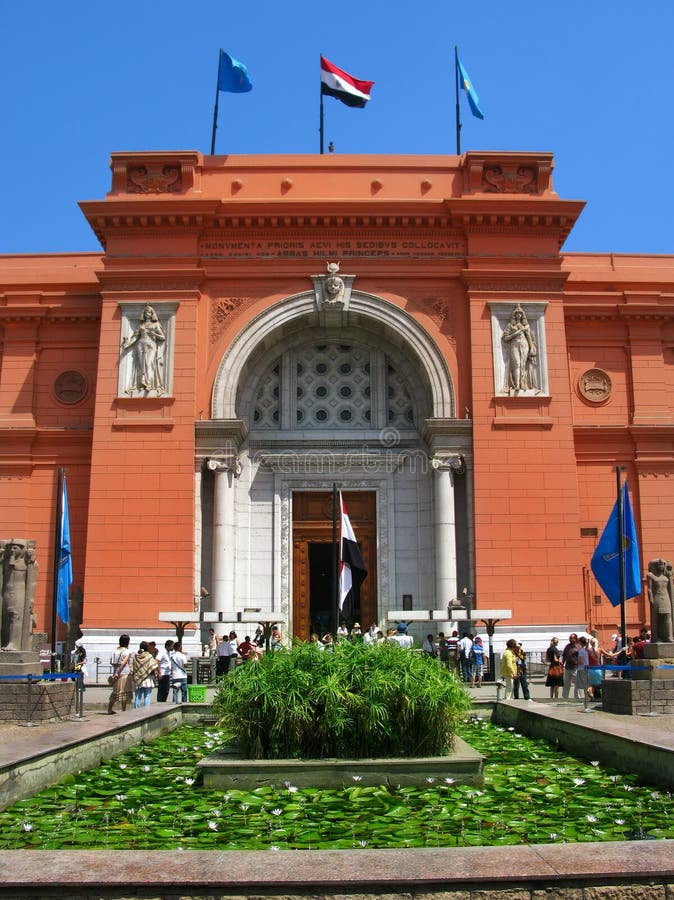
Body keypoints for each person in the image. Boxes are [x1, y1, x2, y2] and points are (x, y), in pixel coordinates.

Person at [0, 538, 38, 651]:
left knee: (15, 617)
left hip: (20, 592)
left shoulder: (30, 564)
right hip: (6, 592)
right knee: (5, 618)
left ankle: (14, 643)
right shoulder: (4, 562)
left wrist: (31, 599)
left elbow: (32, 582)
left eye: (15, 548)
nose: (12, 550)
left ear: (21, 549)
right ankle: (5, 641)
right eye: (10, 548)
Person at [121, 303, 166, 393]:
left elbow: (162, 337)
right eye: (145, 312)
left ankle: (149, 384)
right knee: (141, 365)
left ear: (152, 314)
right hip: (140, 345)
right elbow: (135, 337)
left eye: (149, 312)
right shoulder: (141, 325)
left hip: (150, 345)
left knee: (149, 364)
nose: (147, 314)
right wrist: (128, 344)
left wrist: (152, 333)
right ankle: (142, 384)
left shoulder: (155, 324)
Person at [501, 304, 537, 393]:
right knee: (516, 363)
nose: (518, 315)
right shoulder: (510, 326)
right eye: (517, 313)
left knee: (523, 364)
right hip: (514, 344)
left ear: (522, 315)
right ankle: (516, 385)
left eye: (520, 313)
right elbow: (505, 338)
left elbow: (529, 337)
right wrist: (516, 333)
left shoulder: (526, 326)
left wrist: (531, 347)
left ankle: (522, 384)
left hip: (524, 344)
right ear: (514, 315)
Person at [647, 558, 674, 642]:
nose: (661, 566)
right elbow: (649, 589)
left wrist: (670, 573)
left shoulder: (666, 576)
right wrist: (651, 599)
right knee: (657, 617)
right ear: (656, 566)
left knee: (667, 616)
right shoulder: (651, 575)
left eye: (663, 564)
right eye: (659, 564)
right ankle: (656, 637)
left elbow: (670, 587)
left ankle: (669, 636)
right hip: (657, 598)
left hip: (666, 598)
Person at [107, 634, 133, 714]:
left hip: (115, 672)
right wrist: (118, 672)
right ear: (127, 642)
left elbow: (111, 662)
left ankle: (109, 709)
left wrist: (116, 671)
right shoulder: (127, 651)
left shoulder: (114, 651)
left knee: (115, 692)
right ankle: (123, 710)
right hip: (124, 673)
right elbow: (124, 663)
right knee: (124, 692)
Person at [131, 640, 159, 708]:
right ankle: (147, 711)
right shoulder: (149, 656)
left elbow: (133, 666)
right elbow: (154, 666)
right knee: (147, 696)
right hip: (147, 678)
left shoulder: (136, 656)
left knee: (138, 696)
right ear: (147, 648)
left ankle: (136, 710)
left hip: (138, 678)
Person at [561, 633, 580, 700]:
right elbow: (564, 656)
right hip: (567, 668)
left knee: (577, 684)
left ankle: (577, 697)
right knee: (566, 683)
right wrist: (562, 664)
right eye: (570, 638)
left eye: (572, 638)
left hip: (576, 668)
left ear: (576, 639)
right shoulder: (567, 646)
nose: (570, 639)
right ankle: (565, 697)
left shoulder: (578, 647)